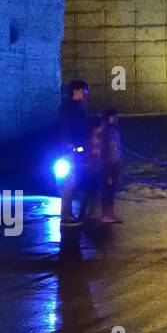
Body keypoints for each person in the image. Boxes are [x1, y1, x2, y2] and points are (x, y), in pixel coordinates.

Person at [58, 80, 91, 226]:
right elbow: (69, 129)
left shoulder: (72, 107)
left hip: (71, 150)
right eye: (85, 91)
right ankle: (66, 215)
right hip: (69, 152)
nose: (86, 95)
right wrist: (72, 147)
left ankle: (68, 214)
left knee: (70, 182)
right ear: (76, 91)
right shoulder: (71, 109)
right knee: (69, 182)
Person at [97, 109, 123, 223]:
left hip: (114, 163)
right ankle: (106, 214)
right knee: (107, 189)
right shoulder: (105, 132)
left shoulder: (112, 130)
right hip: (107, 165)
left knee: (111, 189)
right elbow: (104, 151)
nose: (116, 119)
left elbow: (117, 147)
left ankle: (110, 213)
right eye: (114, 117)